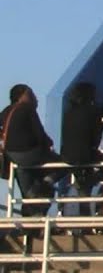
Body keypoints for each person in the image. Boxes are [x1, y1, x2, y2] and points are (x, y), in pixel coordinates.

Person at [2, 85, 69, 213]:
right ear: (21, 96)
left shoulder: (7, 111)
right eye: (31, 94)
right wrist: (48, 144)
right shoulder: (28, 109)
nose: (35, 97)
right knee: (64, 164)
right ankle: (44, 183)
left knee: (26, 193)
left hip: (12, 156)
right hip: (29, 153)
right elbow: (39, 133)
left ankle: (28, 224)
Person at [60, 82, 103, 211]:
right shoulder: (93, 111)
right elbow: (96, 135)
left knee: (83, 186)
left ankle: (82, 182)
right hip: (86, 154)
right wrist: (93, 150)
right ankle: (87, 182)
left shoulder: (69, 112)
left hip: (67, 154)